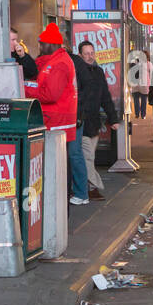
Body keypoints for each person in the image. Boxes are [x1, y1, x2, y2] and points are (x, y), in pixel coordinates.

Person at [26, 22, 87, 204]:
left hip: (57, 121)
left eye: (41, 44)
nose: (39, 47)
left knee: (59, 164)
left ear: (49, 45)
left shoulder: (59, 64)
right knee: (61, 163)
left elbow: (49, 94)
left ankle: (63, 200)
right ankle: (63, 199)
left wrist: (25, 89)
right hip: (57, 119)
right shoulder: (57, 61)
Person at [74, 40, 119, 201]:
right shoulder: (76, 72)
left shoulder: (98, 72)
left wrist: (113, 118)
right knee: (87, 158)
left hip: (93, 124)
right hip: (81, 123)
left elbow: (105, 97)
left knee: (88, 158)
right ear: (80, 55)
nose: (90, 56)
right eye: (86, 53)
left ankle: (83, 186)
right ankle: (93, 187)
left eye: (92, 53)